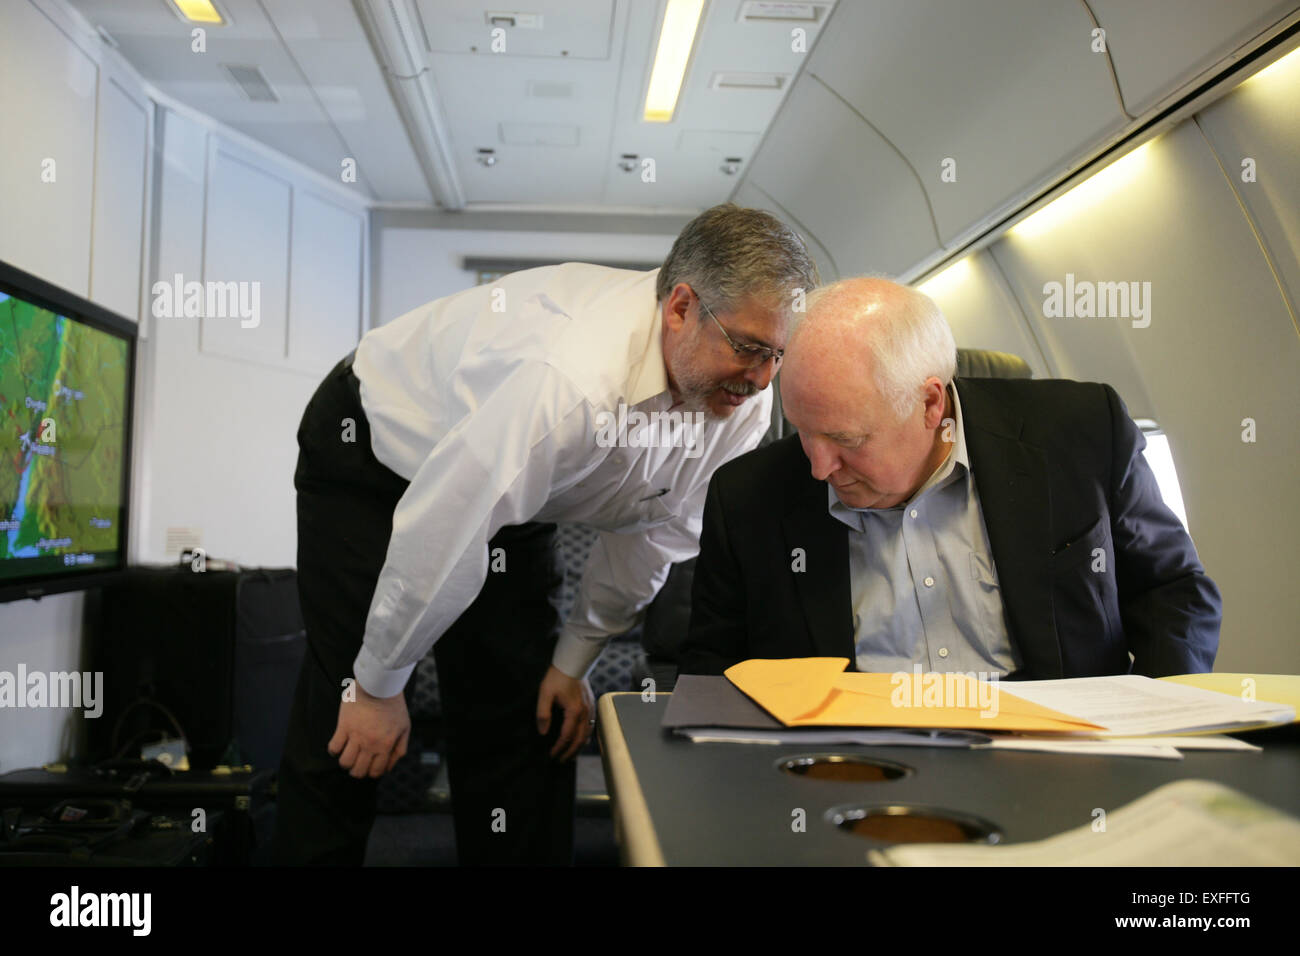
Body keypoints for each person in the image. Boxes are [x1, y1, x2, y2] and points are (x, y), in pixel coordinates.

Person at [274, 204, 818, 865]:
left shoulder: (740, 401)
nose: (764, 379)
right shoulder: (565, 381)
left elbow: (658, 529)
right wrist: (381, 683)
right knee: (349, 713)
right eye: (749, 348)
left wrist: (572, 662)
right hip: (375, 451)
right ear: (681, 308)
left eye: (779, 354)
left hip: (514, 492)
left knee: (529, 712)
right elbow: (451, 524)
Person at [678, 277, 1220, 679]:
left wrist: (1155, 716)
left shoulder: (1078, 435)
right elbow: (710, 674)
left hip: (1057, 756)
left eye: (845, 440)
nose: (819, 468)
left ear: (930, 403)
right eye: (801, 431)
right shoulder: (747, 498)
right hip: (853, 772)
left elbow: (1173, 591)